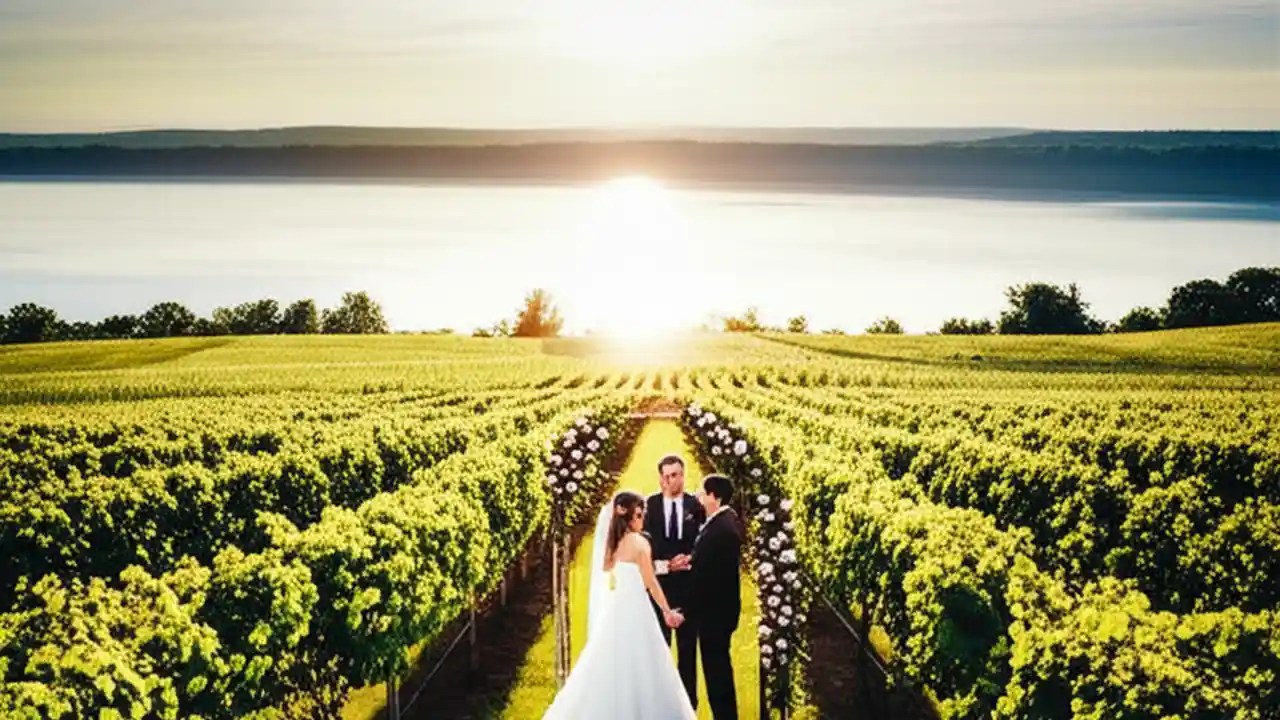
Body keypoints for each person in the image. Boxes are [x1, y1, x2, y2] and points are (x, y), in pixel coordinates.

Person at [543, 491, 697, 720]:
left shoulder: (612, 543)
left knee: (608, 658)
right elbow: (650, 581)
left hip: (616, 607)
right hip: (637, 607)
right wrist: (667, 610)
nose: (642, 520)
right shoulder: (639, 543)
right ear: (630, 516)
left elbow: (607, 568)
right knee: (646, 661)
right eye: (639, 515)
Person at [644, 454, 705, 707]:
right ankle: (659, 703)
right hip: (659, 588)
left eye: (676, 475)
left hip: (689, 588)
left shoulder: (695, 506)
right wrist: (667, 565)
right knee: (659, 649)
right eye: (667, 476)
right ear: (661, 479)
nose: (672, 481)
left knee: (688, 651)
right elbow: (645, 547)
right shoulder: (650, 506)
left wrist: (689, 558)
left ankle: (688, 705)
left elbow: (703, 541)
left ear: (683, 475)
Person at [690, 474, 743, 720]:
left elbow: (711, 574)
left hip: (715, 614)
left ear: (715, 497)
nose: (699, 497)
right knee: (716, 668)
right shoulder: (722, 522)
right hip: (717, 612)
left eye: (703, 493)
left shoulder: (722, 529)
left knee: (717, 672)